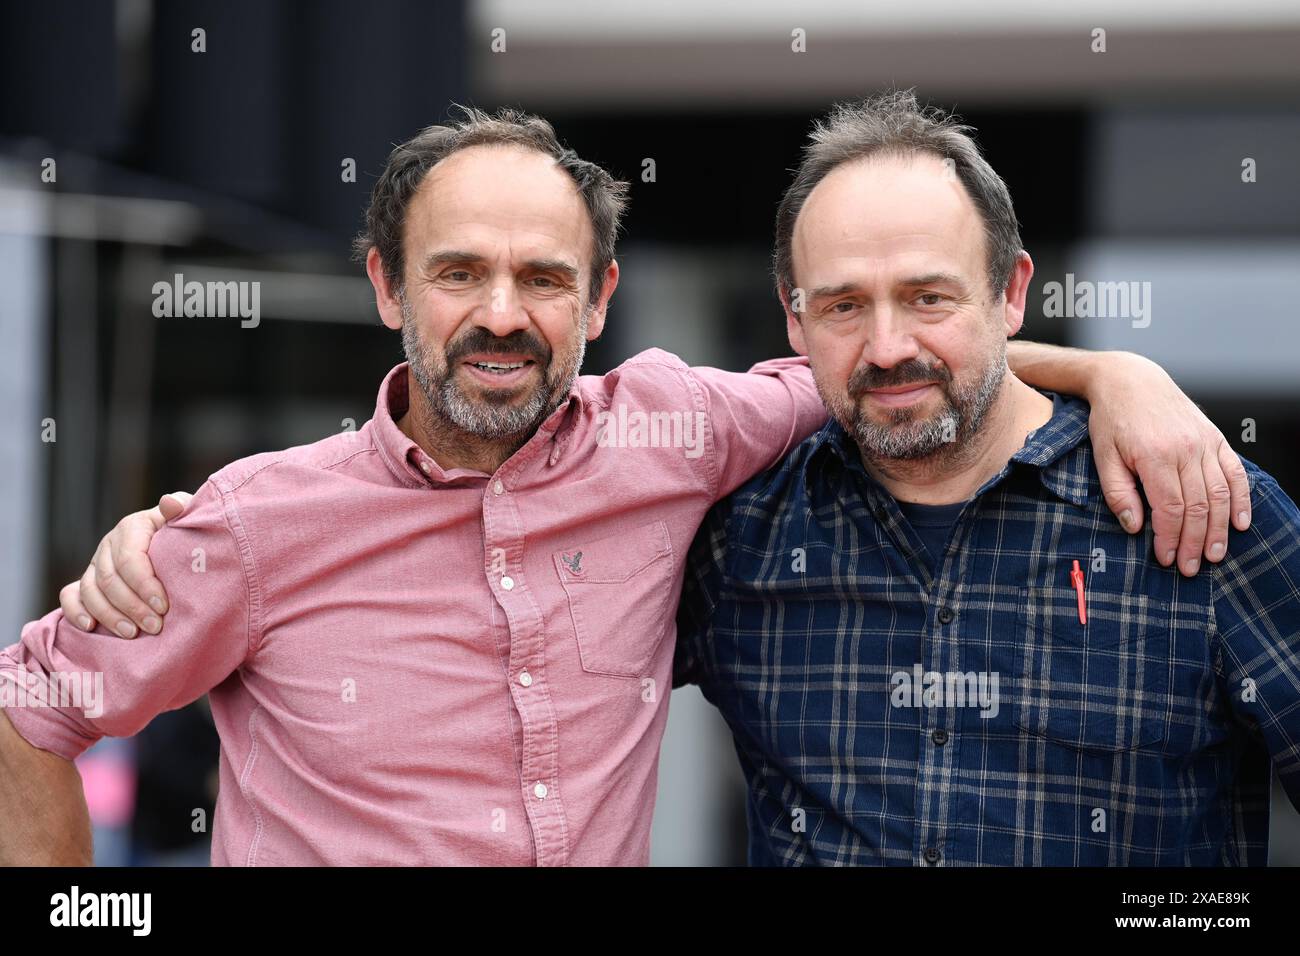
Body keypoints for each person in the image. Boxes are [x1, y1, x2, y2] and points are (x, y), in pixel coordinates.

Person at [1, 106, 1250, 867]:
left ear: (598, 299)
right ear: (386, 286)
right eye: (457, 273)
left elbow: (894, 364)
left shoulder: (681, 429)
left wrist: (1111, 369)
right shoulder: (257, 520)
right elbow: (30, 709)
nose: (502, 315)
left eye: (545, 276)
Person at [673, 91, 1298, 866]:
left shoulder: (1199, 509)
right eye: (842, 306)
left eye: (927, 296)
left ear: (1011, 292)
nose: (888, 345)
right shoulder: (737, 535)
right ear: (794, 319)